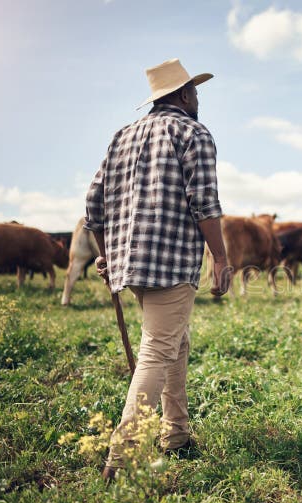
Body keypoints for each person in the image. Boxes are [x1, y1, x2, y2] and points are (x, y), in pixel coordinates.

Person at [83, 58, 231, 481]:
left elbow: (93, 207)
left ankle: (176, 433)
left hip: (131, 264)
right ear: (184, 95)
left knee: (174, 341)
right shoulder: (193, 132)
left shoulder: (122, 136)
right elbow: (204, 202)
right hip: (171, 263)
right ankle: (124, 452)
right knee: (160, 349)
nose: (198, 98)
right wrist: (220, 257)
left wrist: (106, 254)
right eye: (195, 91)